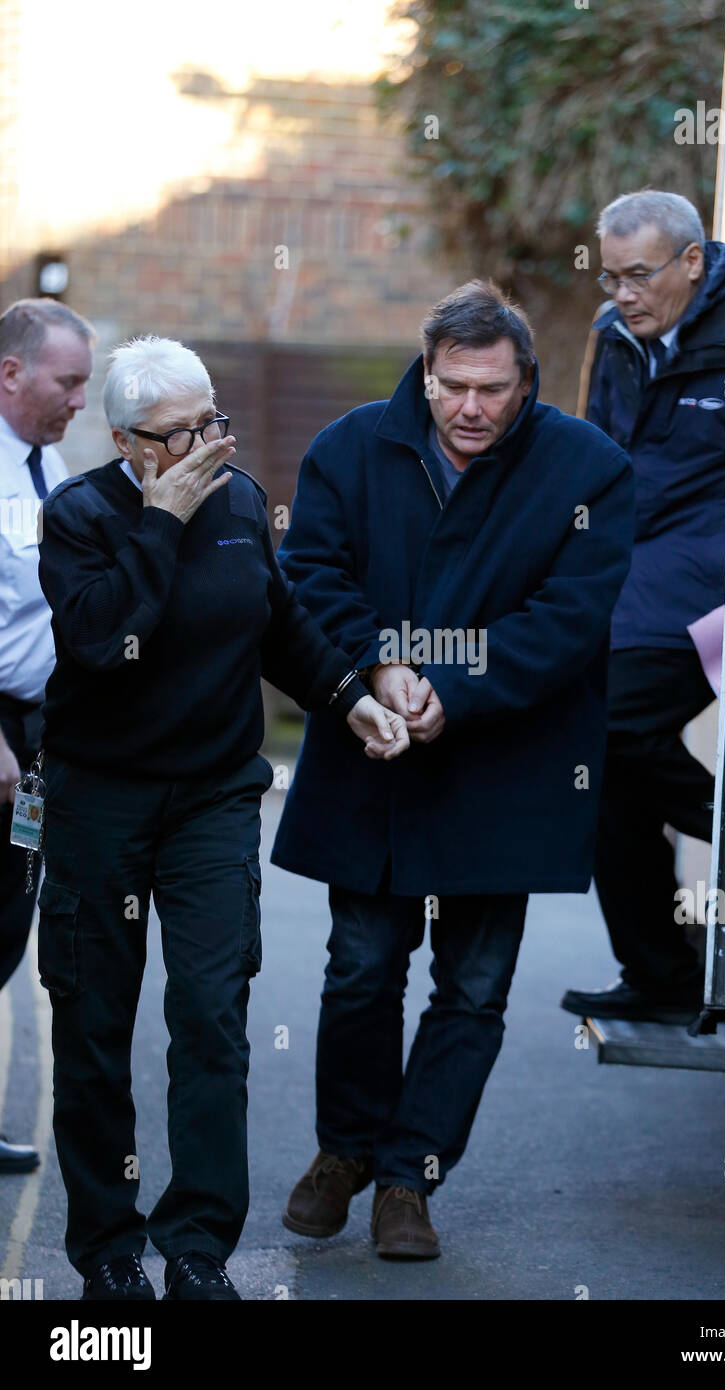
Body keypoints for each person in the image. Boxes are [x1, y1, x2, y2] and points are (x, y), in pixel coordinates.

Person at [36, 336, 409, 1301]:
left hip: (211, 796)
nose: (211, 445)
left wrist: (347, 694)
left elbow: (275, 619)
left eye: (216, 421)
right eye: (182, 434)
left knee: (211, 1018)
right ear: (126, 443)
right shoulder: (77, 518)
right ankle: (109, 1253)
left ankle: (197, 1246)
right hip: (100, 801)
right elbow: (101, 641)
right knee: (93, 1027)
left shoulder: (242, 501)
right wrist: (158, 523)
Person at [271, 280, 634, 1258]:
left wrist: (450, 685)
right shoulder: (349, 446)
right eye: (450, 386)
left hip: (505, 765)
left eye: (493, 389)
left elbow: (568, 616)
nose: (470, 408)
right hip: (372, 752)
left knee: (471, 990)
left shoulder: (587, 466)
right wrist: (379, 667)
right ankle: (342, 1152)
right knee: (358, 969)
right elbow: (310, 575)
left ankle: (407, 1178)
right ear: (423, 374)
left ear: (527, 382)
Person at [560, 190, 725, 1025]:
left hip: (715, 579)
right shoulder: (612, 339)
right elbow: (600, 457)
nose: (622, 294)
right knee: (599, 773)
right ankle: (660, 972)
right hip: (631, 570)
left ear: (692, 264)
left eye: (639, 276)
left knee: (606, 726)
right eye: (611, 278)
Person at [0, 298, 94, 1174]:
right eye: (68, 382)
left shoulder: (44, 461)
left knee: (7, 922)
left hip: (31, 733)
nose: (79, 399)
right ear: (12, 372)